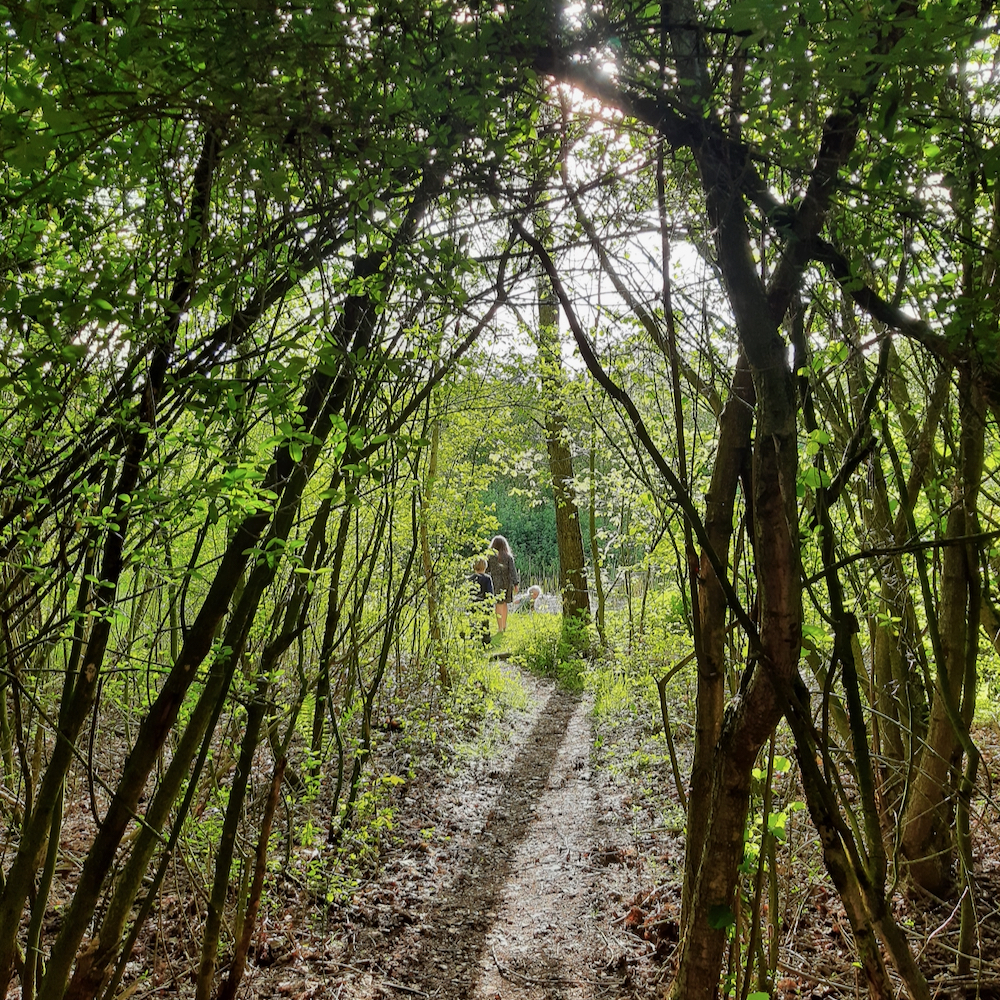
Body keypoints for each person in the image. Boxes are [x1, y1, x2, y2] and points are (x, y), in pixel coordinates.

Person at [487, 535, 519, 633]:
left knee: (498, 605)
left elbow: (486, 570)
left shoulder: (490, 557)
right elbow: (513, 571)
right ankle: (504, 625)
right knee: (505, 604)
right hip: (507, 582)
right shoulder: (508, 557)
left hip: (495, 582)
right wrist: (515, 584)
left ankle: (500, 627)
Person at [467, 558, 494, 646]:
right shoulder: (487, 578)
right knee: (485, 624)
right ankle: (486, 642)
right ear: (485, 566)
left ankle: (472, 641)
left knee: (473, 624)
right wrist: (490, 605)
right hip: (484, 605)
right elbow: (490, 593)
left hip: (473, 604)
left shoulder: (470, 579)